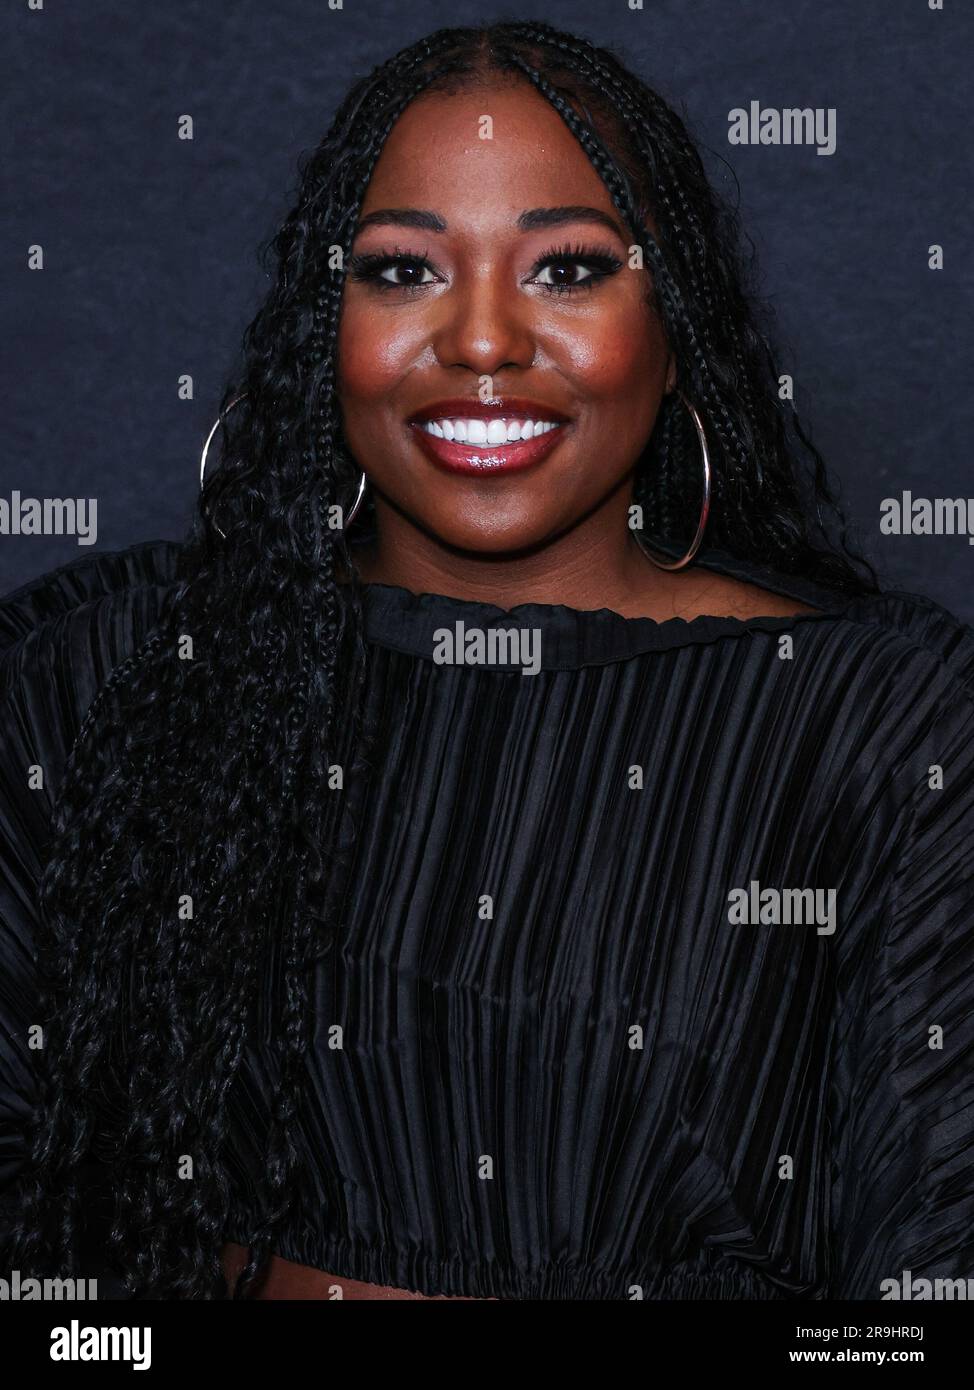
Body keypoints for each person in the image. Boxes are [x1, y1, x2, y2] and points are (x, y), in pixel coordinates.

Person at [1, 20, 972, 1302]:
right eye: (400, 271)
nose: (480, 341)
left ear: (672, 322)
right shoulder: (97, 678)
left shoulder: (886, 731)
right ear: (317, 327)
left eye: (566, 269)